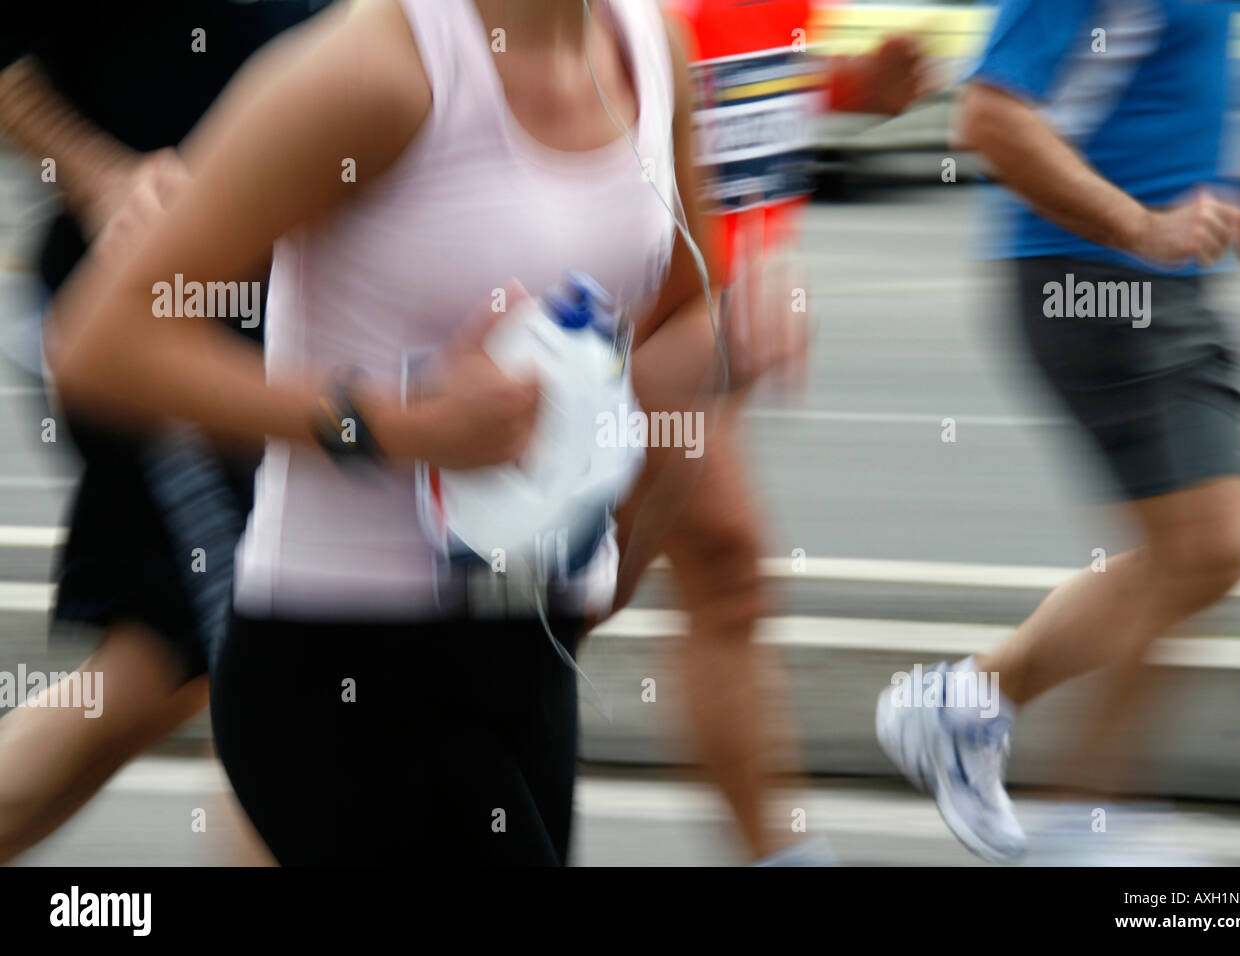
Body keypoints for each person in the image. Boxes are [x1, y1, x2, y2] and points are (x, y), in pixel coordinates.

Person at [46, 0, 716, 866]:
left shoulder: (652, 49)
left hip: (534, 646)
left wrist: (612, 513)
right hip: (343, 667)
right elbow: (104, 342)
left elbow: (686, 311)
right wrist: (398, 427)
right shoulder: (381, 67)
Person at [873, 0, 1240, 863]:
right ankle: (1060, 785)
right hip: (1095, 278)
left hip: (1158, 280)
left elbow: (1148, 92)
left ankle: (1042, 766)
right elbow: (989, 115)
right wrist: (1144, 223)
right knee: (1203, 548)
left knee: (1190, 556)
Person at [0, 0, 327, 863]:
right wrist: (98, 174)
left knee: (165, 665)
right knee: (270, 645)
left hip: (276, 318)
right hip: (150, 324)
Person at [607, 0, 928, 862]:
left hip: (697, 328)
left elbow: (736, 69)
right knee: (720, 570)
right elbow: (606, 84)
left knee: (589, 590)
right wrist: (719, 277)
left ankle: (311, 746)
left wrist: (851, 84)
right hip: (630, 317)